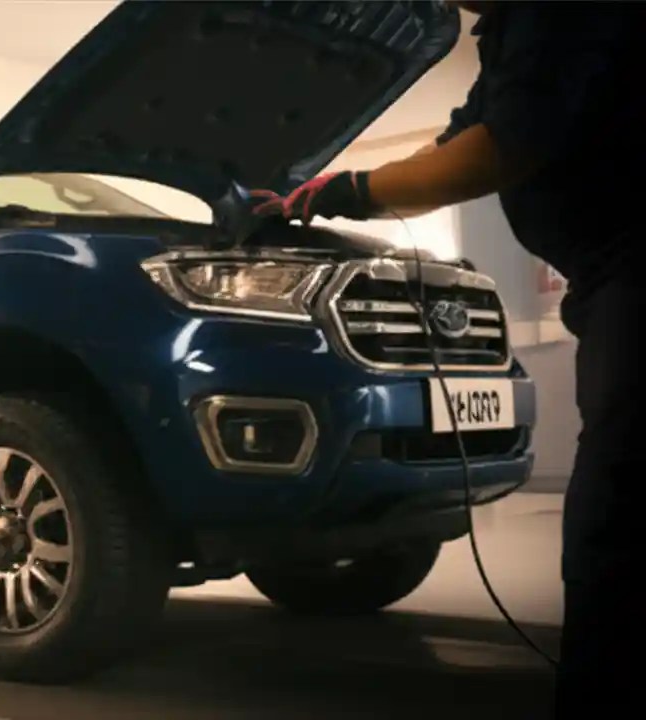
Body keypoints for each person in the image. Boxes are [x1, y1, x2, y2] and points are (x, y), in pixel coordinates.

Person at [251, 2, 642, 715]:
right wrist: (325, 194)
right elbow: (458, 142)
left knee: (616, 518)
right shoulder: (509, 31)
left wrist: (345, 192)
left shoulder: (559, 14)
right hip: (614, 280)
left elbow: (502, 148)